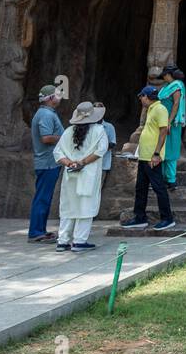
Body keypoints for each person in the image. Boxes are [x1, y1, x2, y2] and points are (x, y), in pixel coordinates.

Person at [53, 101, 110, 252]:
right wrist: (82, 162)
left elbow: (57, 153)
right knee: (86, 206)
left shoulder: (68, 131)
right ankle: (79, 241)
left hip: (70, 174)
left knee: (68, 206)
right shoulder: (99, 130)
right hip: (89, 174)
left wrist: (70, 163)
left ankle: (63, 241)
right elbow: (101, 151)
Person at [120, 86, 175, 231]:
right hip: (144, 156)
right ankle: (140, 218)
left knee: (159, 188)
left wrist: (156, 154)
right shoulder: (151, 109)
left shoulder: (160, 109)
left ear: (147, 96)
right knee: (140, 188)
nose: (140, 99)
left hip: (153, 157)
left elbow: (164, 131)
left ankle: (167, 218)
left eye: (141, 96)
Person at [28, 85, 65, 243]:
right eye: (57, 95)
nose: (60, 97)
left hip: (48, 162)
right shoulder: (45, 115)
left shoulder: (47, 113)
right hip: (47, 163)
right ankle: (36, 232)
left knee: (44, 197)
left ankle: (40, 230)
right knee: (42, 198)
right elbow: (46, 138)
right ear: (50, 98)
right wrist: (65, 137)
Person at [158, 63, 186, 191]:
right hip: (162, 122)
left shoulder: (177, 86)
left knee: (170, 151)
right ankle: (163, 178)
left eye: (164, 75)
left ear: (168, 75)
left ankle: (171, 180)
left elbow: (176, 104)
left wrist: (169, 122)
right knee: (162, 149)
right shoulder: (166, 86)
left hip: (172, 123)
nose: (163, 77)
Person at [95, 102, 118, 189]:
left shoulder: (109, 127)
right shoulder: (89, 126)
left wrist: (99, 147)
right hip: (89, 164)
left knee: (98, 190)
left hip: (103, 163)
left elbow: (112, 143)